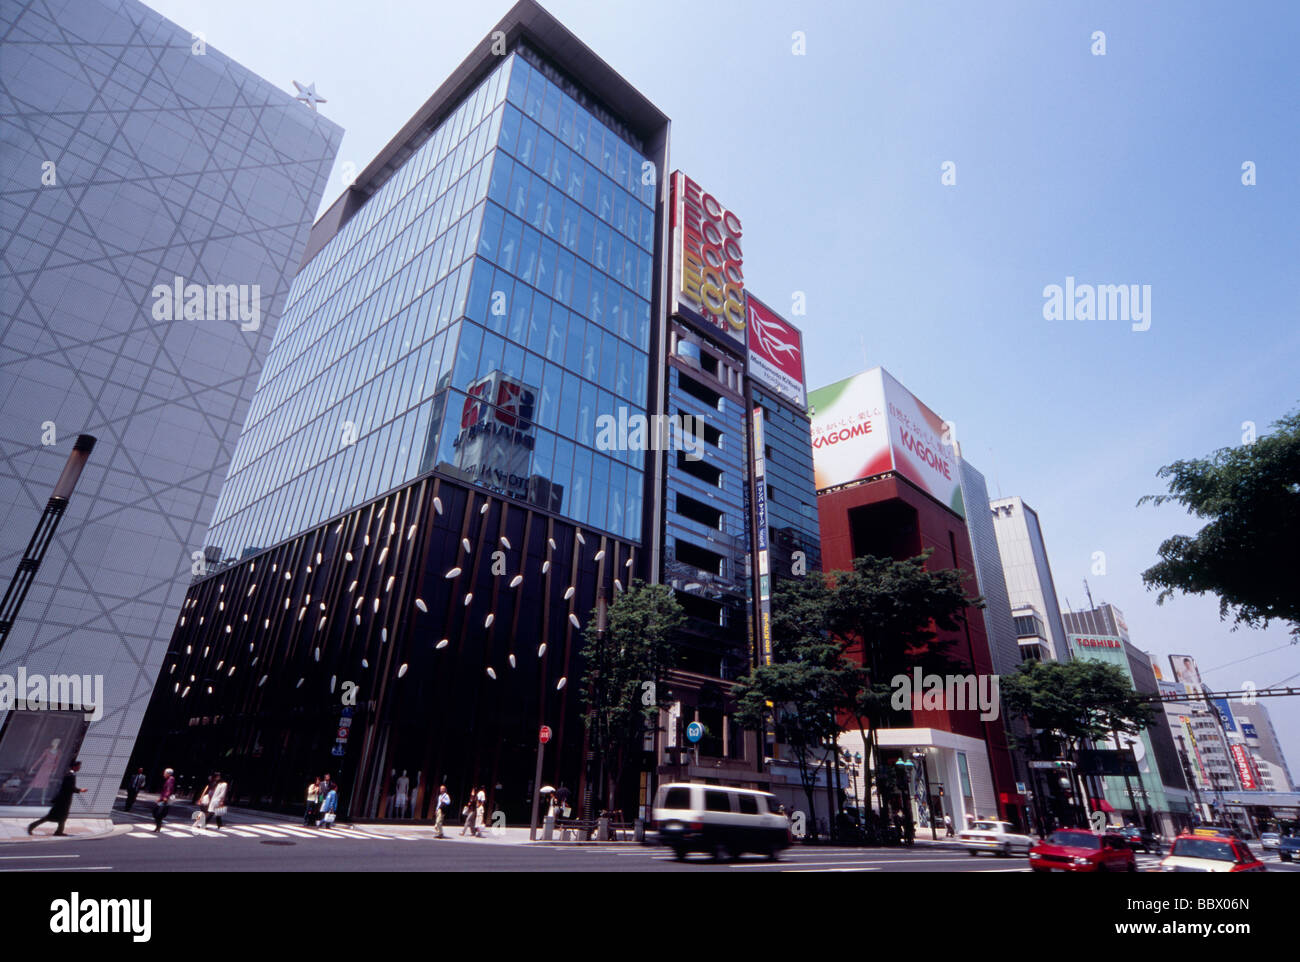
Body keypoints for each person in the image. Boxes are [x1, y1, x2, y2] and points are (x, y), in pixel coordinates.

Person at [27, 759, 85, 836]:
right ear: (74, 766)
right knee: (51, 816)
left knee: (62, 816)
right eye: (78, 766)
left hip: (65, 799)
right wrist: (80, 790)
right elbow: (69, 787)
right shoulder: (70, 775)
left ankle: (59, 831)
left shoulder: (71, 774)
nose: (79, 768)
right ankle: (32, 826)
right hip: (63, 799)